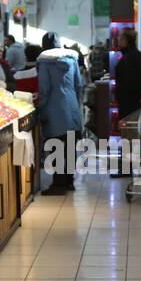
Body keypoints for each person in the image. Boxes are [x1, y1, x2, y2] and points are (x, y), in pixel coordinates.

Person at [36, 44, 85, 195]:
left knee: (56, 147)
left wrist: (40, 108)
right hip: (72, 108)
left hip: (54, 109)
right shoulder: (72, 59)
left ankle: (58, 184)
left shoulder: (44, 63)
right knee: (70, 147)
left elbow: (44, 89)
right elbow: (79, 85)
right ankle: (69, 181)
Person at [113, 29, 141, 121]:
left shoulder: (126, 59)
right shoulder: (140, 56)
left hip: (127, 104)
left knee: (128, 130)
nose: (118, 40)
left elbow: (127, 82)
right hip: (138, 102)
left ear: (126, 40)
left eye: (120, 38)